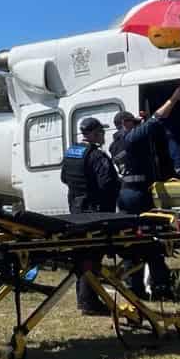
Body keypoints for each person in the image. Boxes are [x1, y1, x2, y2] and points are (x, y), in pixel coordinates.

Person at [115, 84, 180, 298]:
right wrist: (174, 99)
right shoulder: (130, 138)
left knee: (131, 243)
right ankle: (160, 287)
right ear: (123, 124)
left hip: (125, 195)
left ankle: (134, 287)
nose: (135, 124)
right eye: (131, 122)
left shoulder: (116, 142)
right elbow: (157, 119)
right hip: (137, 196)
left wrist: (140, 122)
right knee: (150, 242)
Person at [61, 114, 119, 314]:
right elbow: (107, 184)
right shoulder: (96, 156)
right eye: (101, 132)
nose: (103, 135)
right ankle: (89, 302)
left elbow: (64, 178)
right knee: (92, 256)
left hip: (76, 210)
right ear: (94, 134)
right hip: (94, 212)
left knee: (80, 254)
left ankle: (83, 299)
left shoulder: (71, 153)